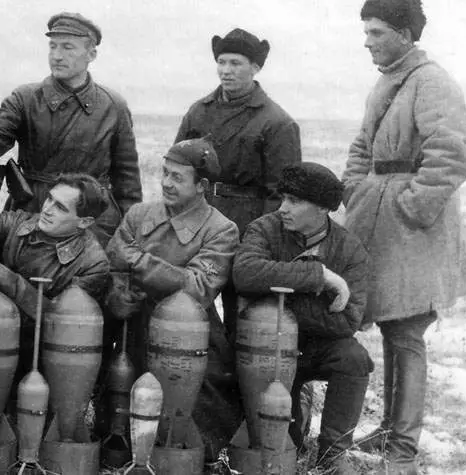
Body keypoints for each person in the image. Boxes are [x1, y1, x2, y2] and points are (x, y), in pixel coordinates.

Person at [343, 1, 466, 472]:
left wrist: (412, 207)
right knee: (390, 325)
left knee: (407, 331)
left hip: (413, 229)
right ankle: (388, 432)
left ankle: (403, 447)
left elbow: (449, 157)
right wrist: (354, 188)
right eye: (367, 31)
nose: (368, 41)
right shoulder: (388, 80)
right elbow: (363, 145)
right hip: (379, 219)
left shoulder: (433, 81)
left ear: (403, 32)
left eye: (376, 32)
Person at [0, 12, 142, 246]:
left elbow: (127, 180)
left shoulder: (114, 106)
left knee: (91, 276)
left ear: (91, 54)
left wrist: (130, 232)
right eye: (53, 47)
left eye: (68, 48)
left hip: (91, 219)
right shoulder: (26, 99)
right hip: (36, 209)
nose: (57, 56)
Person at [0, 171, 111, 435]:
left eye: (60, 207)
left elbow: (66, 325)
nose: (47, 209)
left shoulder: (93, 263)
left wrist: (12, 283)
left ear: (84, 222)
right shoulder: (21, 224)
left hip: (41, 351)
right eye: (49, 199)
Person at [104, 138, 240, 461]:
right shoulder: (139, 214)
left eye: (177, 177)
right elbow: (112, 263)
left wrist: (137, 261)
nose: (165, 183)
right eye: (165, 173)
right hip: (132, 328)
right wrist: (117, 295)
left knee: (191, 430)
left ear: (202, 185)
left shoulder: (222, 229)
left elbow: (196, 288)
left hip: (190, 339)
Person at [234, 163, 373, 474]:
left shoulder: (350, 249)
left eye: (294, 201)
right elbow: (245, 274)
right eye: (283, 198)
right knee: (286, 442)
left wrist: (282, 301)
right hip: (264, 349)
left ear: (323, 208)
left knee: (354, 359)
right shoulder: (264, 229)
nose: (283, 208)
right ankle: (297, 421)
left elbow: (348, 320)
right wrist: (318, 277)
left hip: (314, 347)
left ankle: (332, 455)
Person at [173, 27, 301, 341]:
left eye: (236, 63)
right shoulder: (198, 112)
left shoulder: (276, 122)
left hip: (245, 226)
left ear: (256, 68)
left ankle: (238, 386)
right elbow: (177, 169)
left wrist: (261, 243)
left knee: (241, 317)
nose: (226, 71)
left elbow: (281, 194)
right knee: (183, 307)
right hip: (197, 223)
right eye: (222, 62)